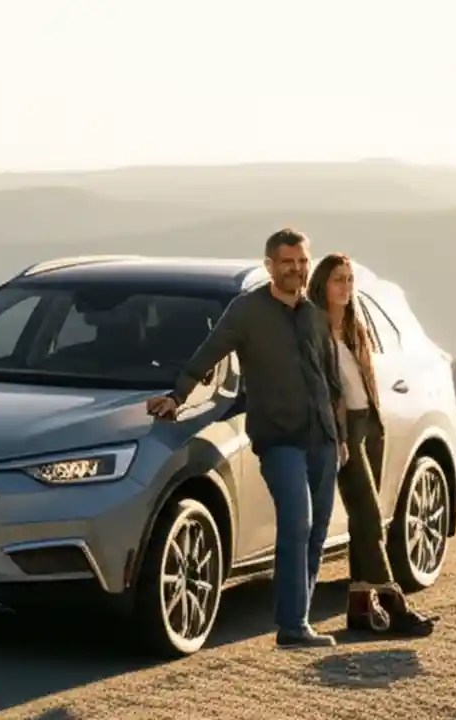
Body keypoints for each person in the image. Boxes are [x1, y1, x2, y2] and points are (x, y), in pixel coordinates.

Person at [147, 228, 347, 648]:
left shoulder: (313, 314)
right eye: (287, 262)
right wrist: (176, 396)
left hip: (322, 437)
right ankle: (291, 625)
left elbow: (330, 378)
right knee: (297, 522)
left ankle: (300, 620)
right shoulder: (247, 311)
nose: (296, 269)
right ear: (270, 266)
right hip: (279, 437)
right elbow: (210, 351)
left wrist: (339, 434)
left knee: (316, 530)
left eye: (302, 261)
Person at [307, 252, 439, 637]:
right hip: (342, 432)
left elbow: (364, 385)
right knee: (367, 516)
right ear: (322, 284)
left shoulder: (353, 325)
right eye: (338, 280)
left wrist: (373, 426)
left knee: (364, 522)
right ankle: (395, 604)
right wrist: (340, 436)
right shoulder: (313, 331)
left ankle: (361, 608)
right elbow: (325, 391)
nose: (346, 287)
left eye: (349, 279)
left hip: (369, 426)